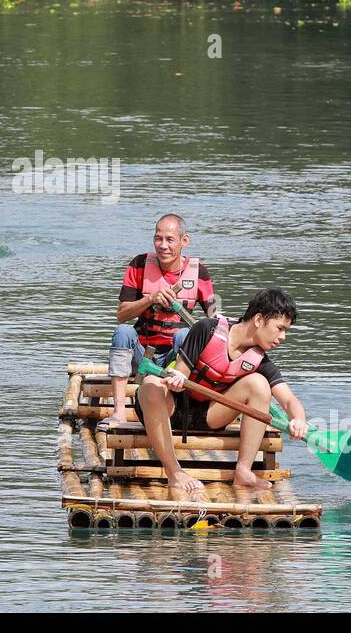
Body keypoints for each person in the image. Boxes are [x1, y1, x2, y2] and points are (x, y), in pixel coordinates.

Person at [135, 288, 308, 500]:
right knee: (151, 384)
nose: (283, 337)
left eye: (286, 331)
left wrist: (299, 420)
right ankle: (175, 473)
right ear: (259, 319)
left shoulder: (260, 360)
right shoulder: (206, 329)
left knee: (259, 384)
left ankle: (243, 471)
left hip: (208, 416)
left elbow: (289, 400)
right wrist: (177, 380)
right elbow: (179, 375)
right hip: (170, 409)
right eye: (280, 328)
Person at [103, 214, 216, 425]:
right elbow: (121, 315)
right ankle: (118, 411)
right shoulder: (138, 264)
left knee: (186, 334)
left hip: (177, 358)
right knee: (123, 332)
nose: (163, 245)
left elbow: (215, 319)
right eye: (158, 238)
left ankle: (181, 409)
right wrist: (150, 298)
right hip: (143, 356)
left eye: (170, 239)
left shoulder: (199, 272)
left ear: (184, 241)